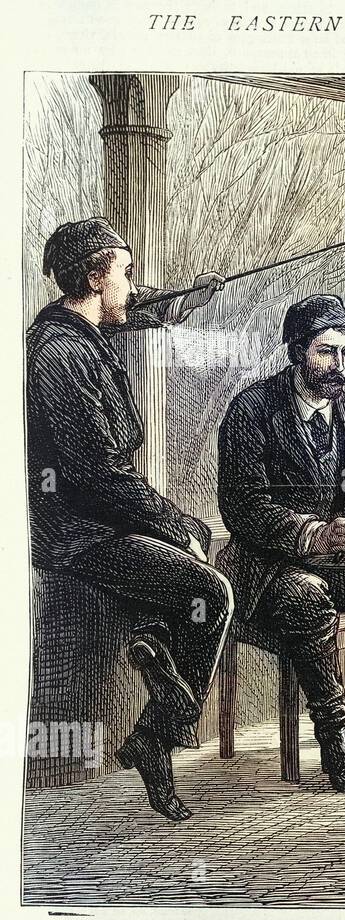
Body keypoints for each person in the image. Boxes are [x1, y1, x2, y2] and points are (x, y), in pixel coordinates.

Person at [27, 217, 230, 821]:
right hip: (79, 535)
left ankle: (155, 650)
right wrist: (174, 522)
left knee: (182, 567)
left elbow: (135, 308)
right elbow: (94, 474)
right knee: (211, 592)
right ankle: (158, 733)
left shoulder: (81, 330)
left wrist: (184, 296)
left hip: (104, 522)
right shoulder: (60, 354)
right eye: (124, 272)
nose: (131, 285)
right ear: (93, 277)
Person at [217, 295, 345, 794]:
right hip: (264, 566)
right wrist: (311, 532)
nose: (340, 365)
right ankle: (335, 738)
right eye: (327, 352)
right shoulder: (252, 410)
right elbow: (243, 506)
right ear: (295, 351)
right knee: (308, 595)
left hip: (342, 560)